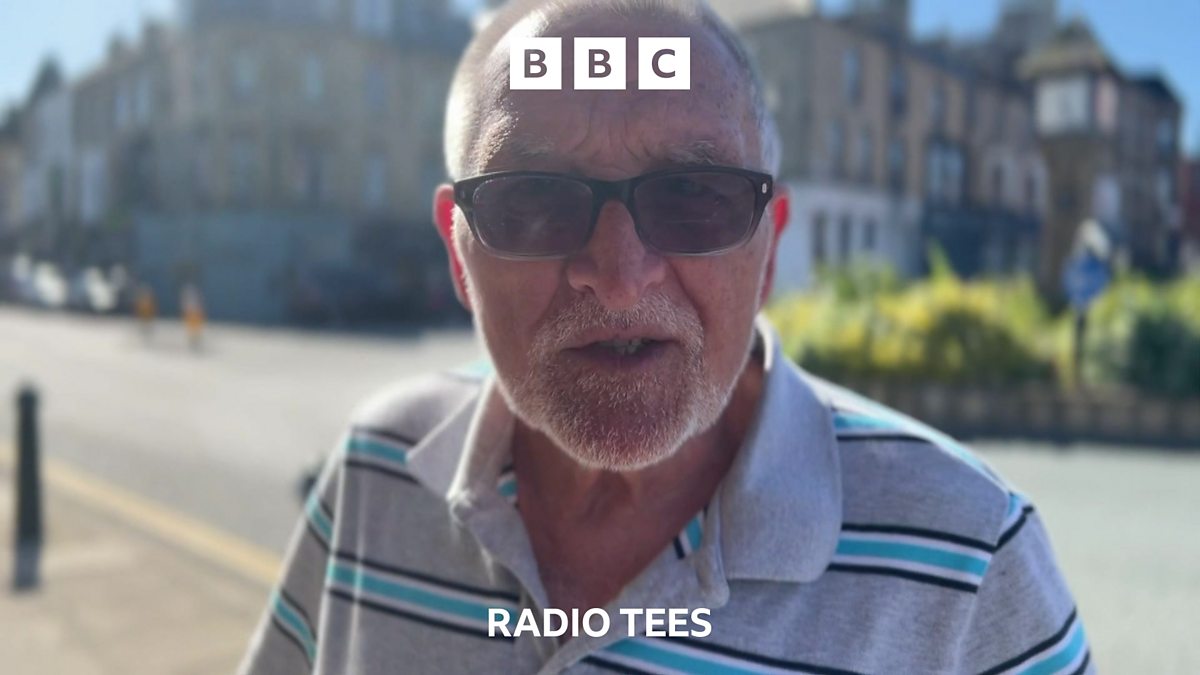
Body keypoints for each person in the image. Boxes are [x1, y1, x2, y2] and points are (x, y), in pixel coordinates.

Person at [240, 1, 1093, 673]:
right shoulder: (376, 467)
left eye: (694, 196)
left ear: (767, 253)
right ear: (458, 252)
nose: (617, 273)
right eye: (532, 200)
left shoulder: (973, 562)